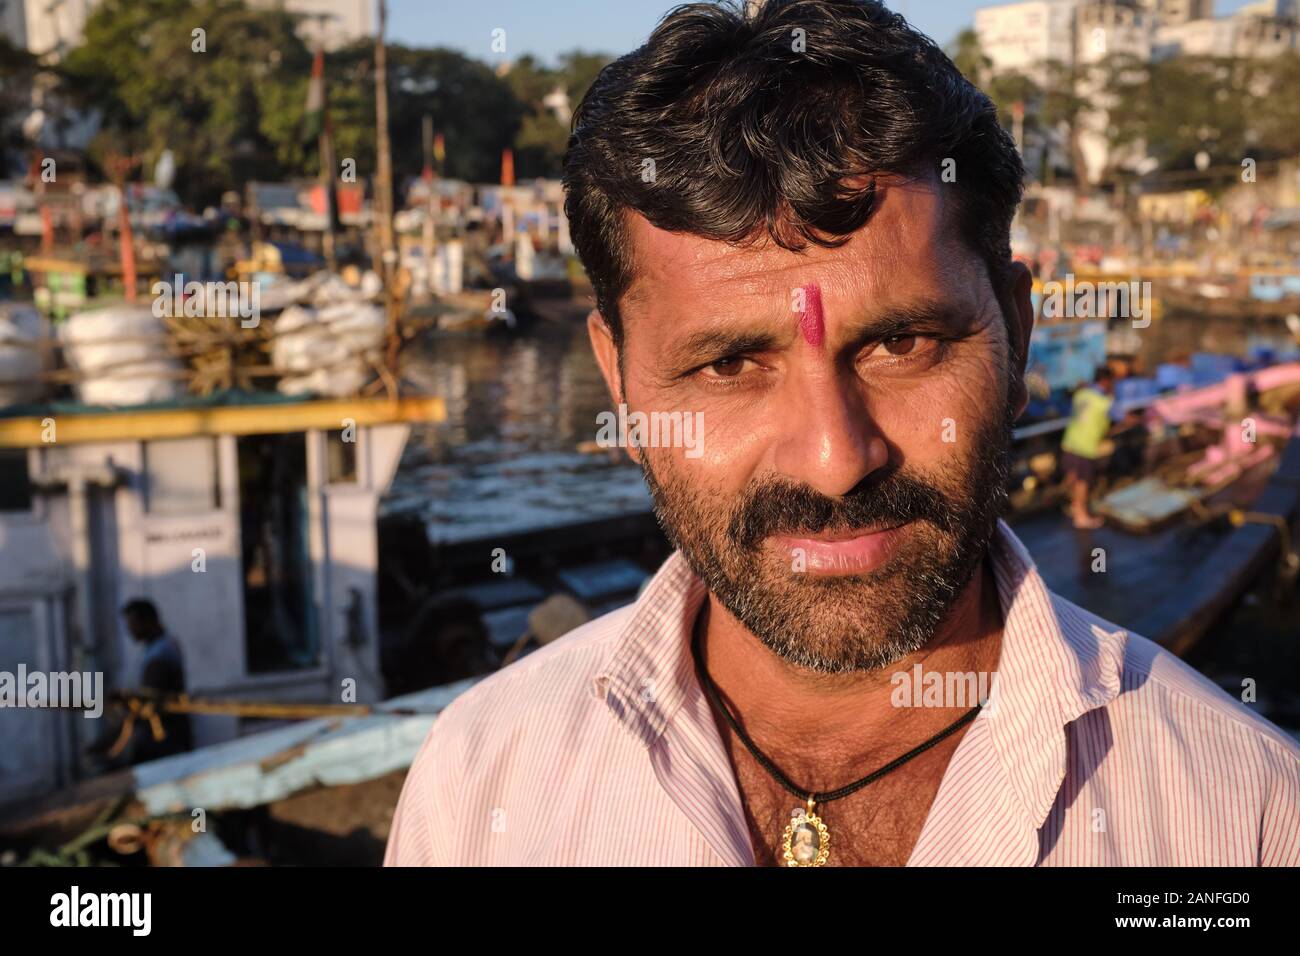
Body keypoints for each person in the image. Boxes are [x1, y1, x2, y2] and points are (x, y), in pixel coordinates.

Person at [386, 0, 1299, 866]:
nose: (834, 461)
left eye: (903, 343)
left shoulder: (1240, 812)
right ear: (621, 383)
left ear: (1018, 338)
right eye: (729, 365)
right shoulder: (479, 783)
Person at [120, 598, 194, 763]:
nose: (130, 630)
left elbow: (148, 700)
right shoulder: (156, 648)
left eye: (133, 623)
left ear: (148, 621)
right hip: (164, 735)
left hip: (164, 738)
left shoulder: (160, 654)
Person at [1059, 367, 1116, 529]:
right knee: (1083, 482)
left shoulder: (1081, 394)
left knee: (1073, 477)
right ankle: (1081, 516)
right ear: (1106, 381)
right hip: (1085, 447)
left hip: (1070, 442)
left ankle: (1074, 506)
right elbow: (1118, 415)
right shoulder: (1104, 402)